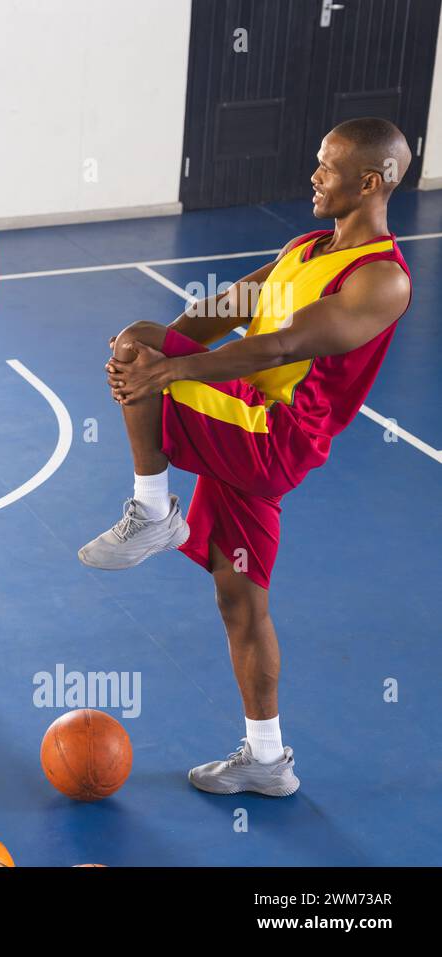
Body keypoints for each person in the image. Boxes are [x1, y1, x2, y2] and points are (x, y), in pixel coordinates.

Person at [79, 118, 413, 796]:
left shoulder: (381, 280)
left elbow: (281, 346)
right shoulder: (304, 247)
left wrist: (162, 372)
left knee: (145, 347)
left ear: (371, 182)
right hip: (243, 423)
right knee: (241, 598)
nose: (314, 174)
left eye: (329, 165)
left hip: (276, 434)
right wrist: (146, 361)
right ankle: (268, 757)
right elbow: (222, 312)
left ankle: (152, 509)